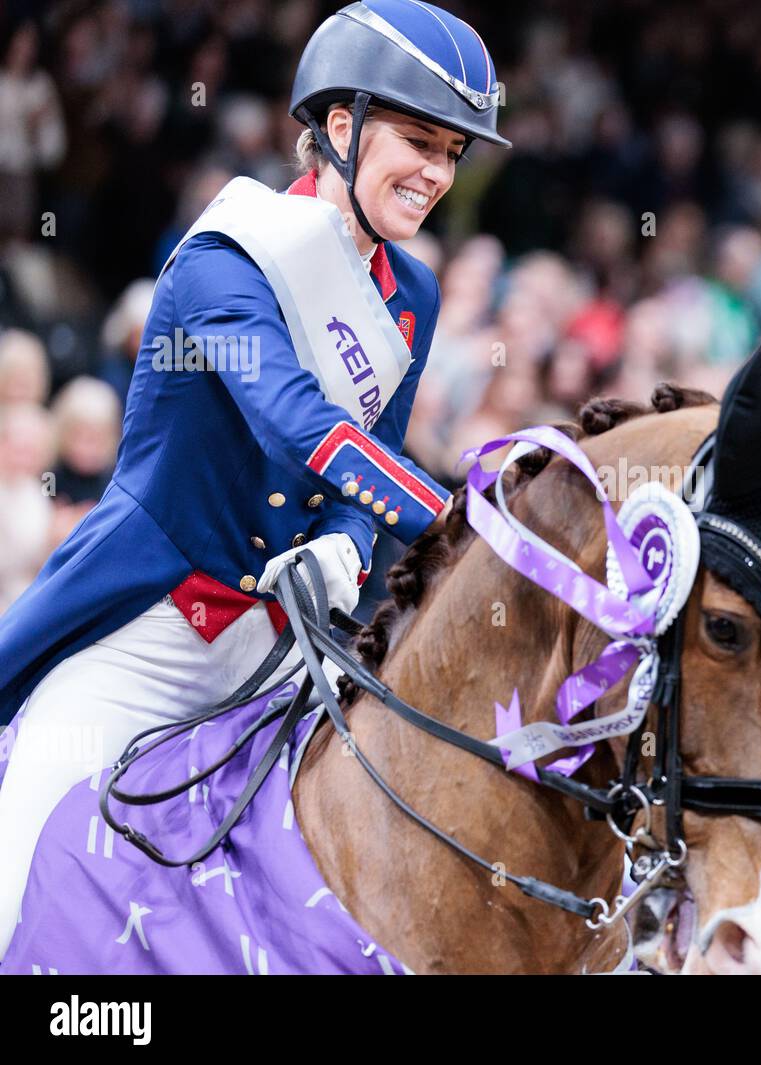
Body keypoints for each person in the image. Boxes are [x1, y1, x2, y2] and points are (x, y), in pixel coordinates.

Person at [0, 1, 510, 957]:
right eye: (419, 142)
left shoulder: (416, 295)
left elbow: (374, 459)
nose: (437, 174)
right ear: (343, 128)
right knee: (9, 871)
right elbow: (296, 422)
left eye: (452, 152)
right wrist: (459, 527)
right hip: (143, 637)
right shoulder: (221, 262)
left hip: (281, 657)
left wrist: (348, 553)